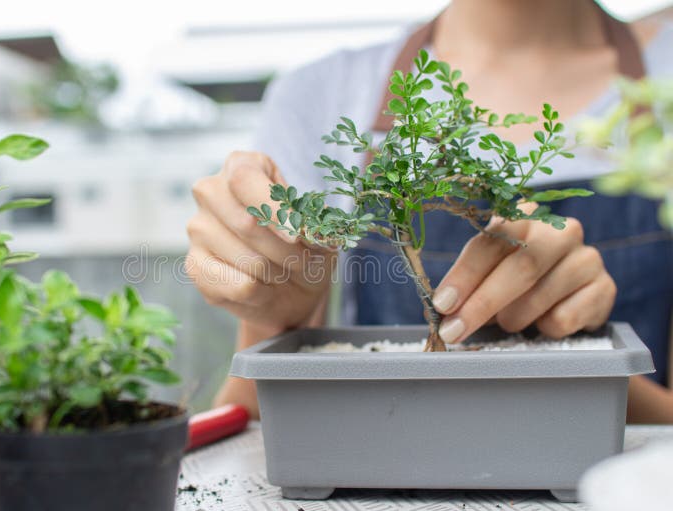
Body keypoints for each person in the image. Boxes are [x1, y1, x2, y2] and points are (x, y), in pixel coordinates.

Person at [186, 0, 673, 422]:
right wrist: (272, 313)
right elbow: (255, 425)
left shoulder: (663, 86)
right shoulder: (321, 93)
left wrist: (583, 363)